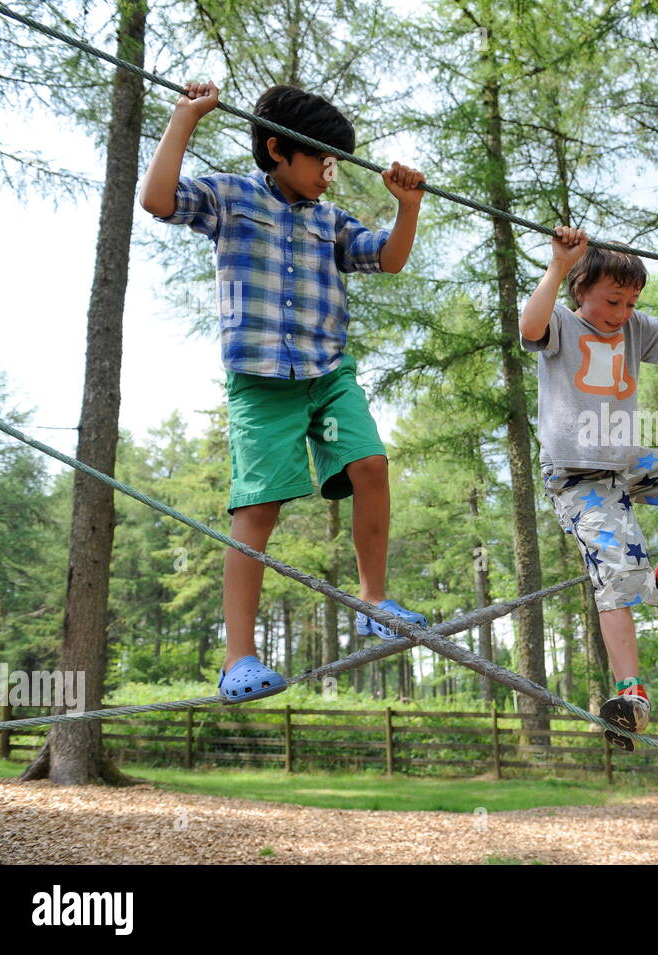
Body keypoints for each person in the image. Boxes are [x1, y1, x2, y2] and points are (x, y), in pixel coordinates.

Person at [139, 82, 431, 703]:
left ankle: (372, 601)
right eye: (322, 160)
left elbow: (389, 259)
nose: (331, 175)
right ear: (277, 150)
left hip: (327, 377)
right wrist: (186, 116)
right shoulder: (230, 196)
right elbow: (158, 199)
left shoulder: (332, 221)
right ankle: (238, 657)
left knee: (370, 463)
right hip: (261, 383)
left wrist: (407, 208)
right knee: (258, 511)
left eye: (337, 163)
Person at [520, 227, 658, 749]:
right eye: (612, 300)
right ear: (581, 292)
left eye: (630, 301)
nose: (621, 311)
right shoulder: (563, 327)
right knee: (620, 571)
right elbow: (530, 328)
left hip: (625, 462)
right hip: (577, 474)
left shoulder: (636, 328)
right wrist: (557, 265)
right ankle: (629, 693)